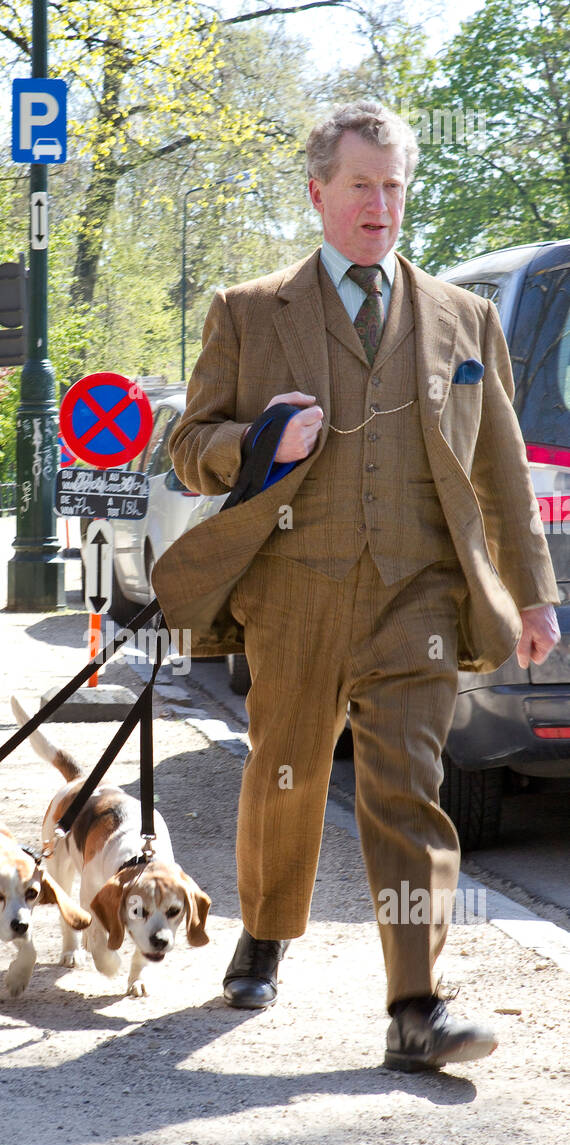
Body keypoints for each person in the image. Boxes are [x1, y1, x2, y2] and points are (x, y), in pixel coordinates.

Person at [157, 100, 560, 1071]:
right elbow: (184, 448)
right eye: (359, 185)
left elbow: (502, 466)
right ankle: (263, 931)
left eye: (392, 186)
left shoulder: (463, 320)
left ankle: (415, 1004)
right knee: (285, 772)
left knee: (408, 794)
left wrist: (532, 594)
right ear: (317, 192)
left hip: (416, 595)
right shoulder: (248, 312)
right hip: (293, 590)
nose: (379, 204)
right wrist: (251, 442)